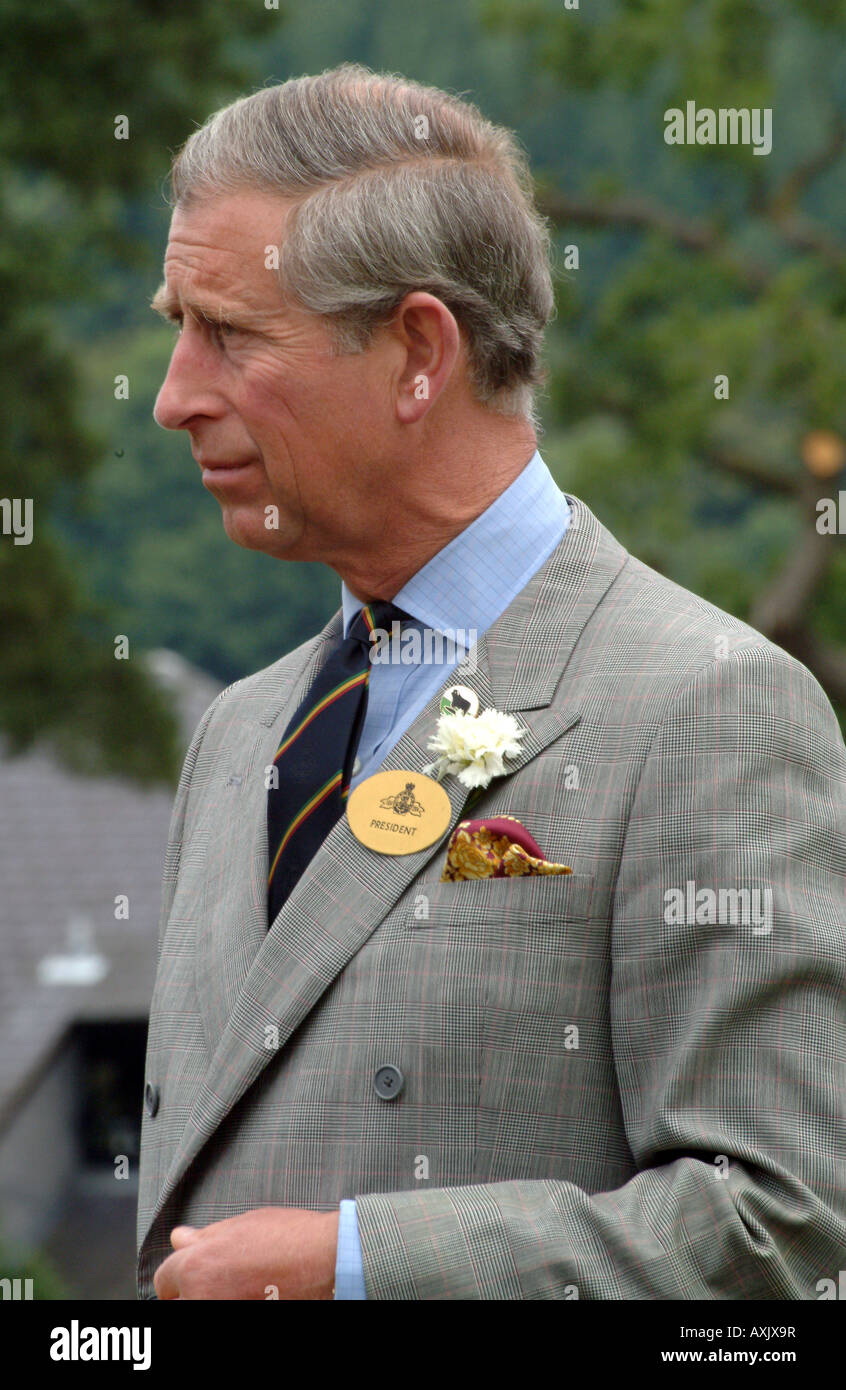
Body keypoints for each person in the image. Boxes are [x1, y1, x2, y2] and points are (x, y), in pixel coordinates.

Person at [136, 63, 845, 1300]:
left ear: (420, 351)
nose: (172, 399)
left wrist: (357, 1268)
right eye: (176, 327)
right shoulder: (237, 732)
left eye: (232, 335)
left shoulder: (711, 704)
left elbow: (780, 1227)